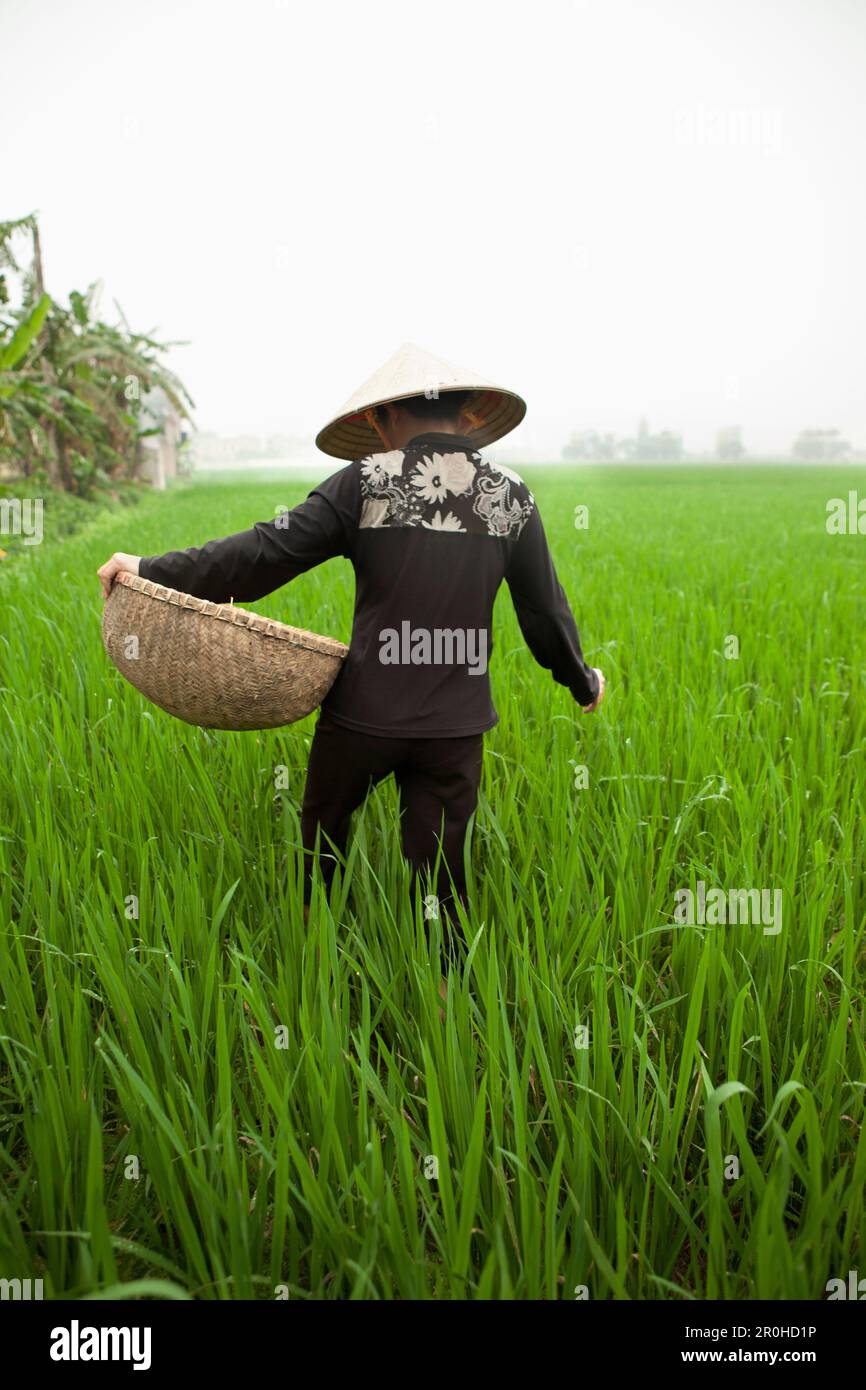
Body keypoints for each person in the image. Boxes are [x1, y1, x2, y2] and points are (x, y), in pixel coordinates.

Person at [98, 343, 605, 952]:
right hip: (454, 727)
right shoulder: (510, 497)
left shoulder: (363, 483)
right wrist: (583, 682)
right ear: (470, 415)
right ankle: (444, 999)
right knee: (441, 879)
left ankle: (314, 964)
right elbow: (544, 612)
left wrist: (151, 569)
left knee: (323, 842)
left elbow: (261, 555)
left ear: (384, 419)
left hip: (364, 716)